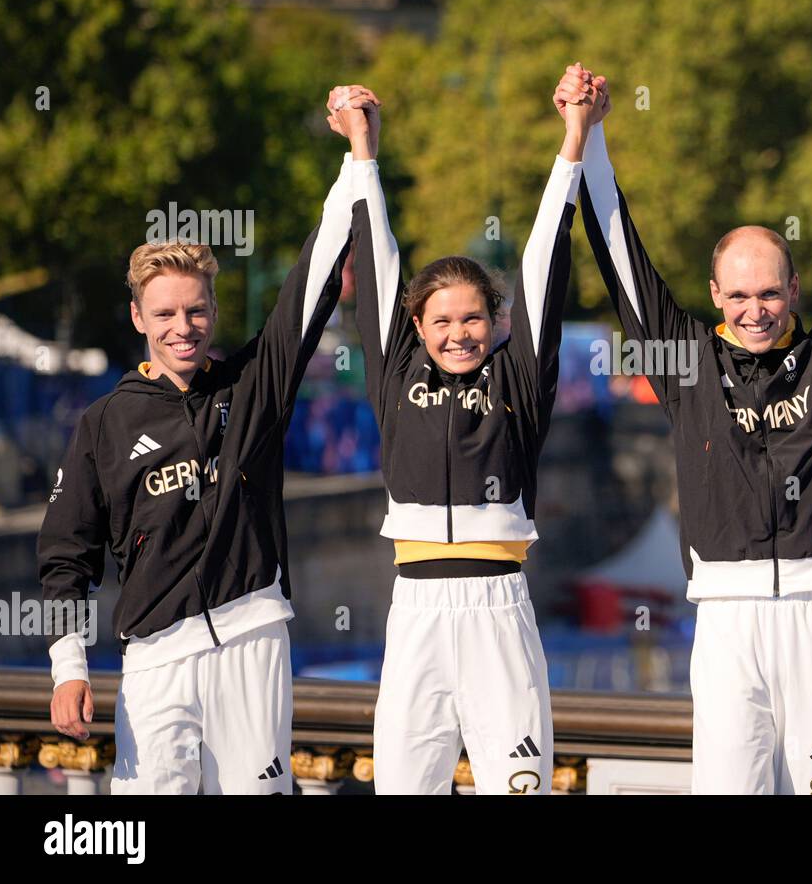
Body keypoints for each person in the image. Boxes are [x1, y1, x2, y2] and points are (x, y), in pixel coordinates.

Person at [561, 64, 812, 794]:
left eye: (770, 292)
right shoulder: (687, 364)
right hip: (727, 619)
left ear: (794, 289)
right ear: (714, 296)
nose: (755, 309)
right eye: (738, 295)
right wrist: (592, 136)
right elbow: (622, 263)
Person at [37, 84, 379, 793]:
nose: (181, 327)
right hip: (155, 660)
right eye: (164, 313)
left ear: (215, 310)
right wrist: (69, 668)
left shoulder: (254, 385)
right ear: (137, 317)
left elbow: (311, 286)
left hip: (254, 638)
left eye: (195, 310)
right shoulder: (103, 423)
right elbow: (66, 552)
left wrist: (357, 153)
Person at [343, 72, 602, 794]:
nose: (458, 334)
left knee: (518, 786)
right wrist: (364, 147)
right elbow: (376, 253)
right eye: (441, 322)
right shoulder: (395, 373)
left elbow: (546, 260)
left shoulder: (518, 379)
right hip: (417, 611)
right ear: (415, 330)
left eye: (473, 319)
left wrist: (573, 141)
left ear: (497, 322)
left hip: (500, 610)